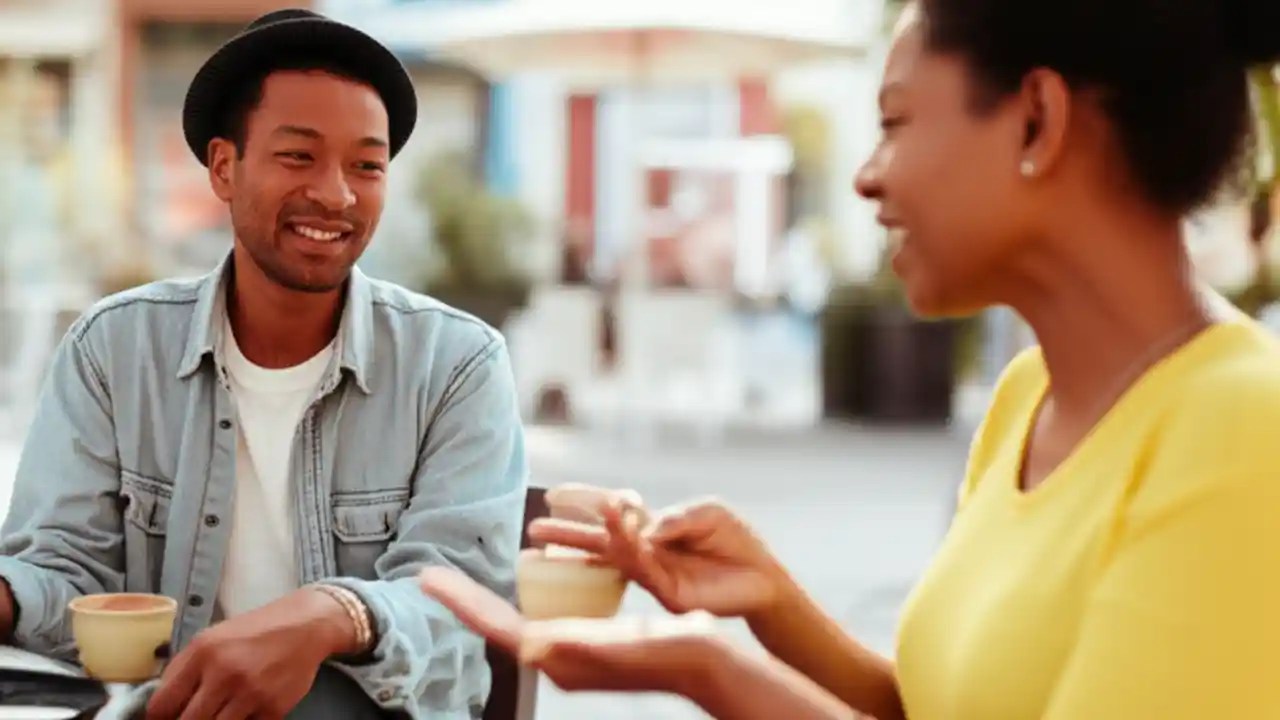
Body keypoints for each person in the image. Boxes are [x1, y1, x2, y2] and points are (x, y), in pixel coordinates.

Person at [420, 0, 1280, 718]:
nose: (867, 177)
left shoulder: (1243, 430)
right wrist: (772, 603)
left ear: (1037, 120)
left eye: (898, 123)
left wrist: (710, 674)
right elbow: (948, 706)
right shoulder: (1031, 396)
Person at [0, 9, 527, 719]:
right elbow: (66, 579)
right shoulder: (112, 350)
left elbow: (457, 598)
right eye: (298, 156)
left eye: (366, 165)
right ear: (224, 167)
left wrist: (325, 617)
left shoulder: (458, 364)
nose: (337, 193)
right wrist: (10, 597)